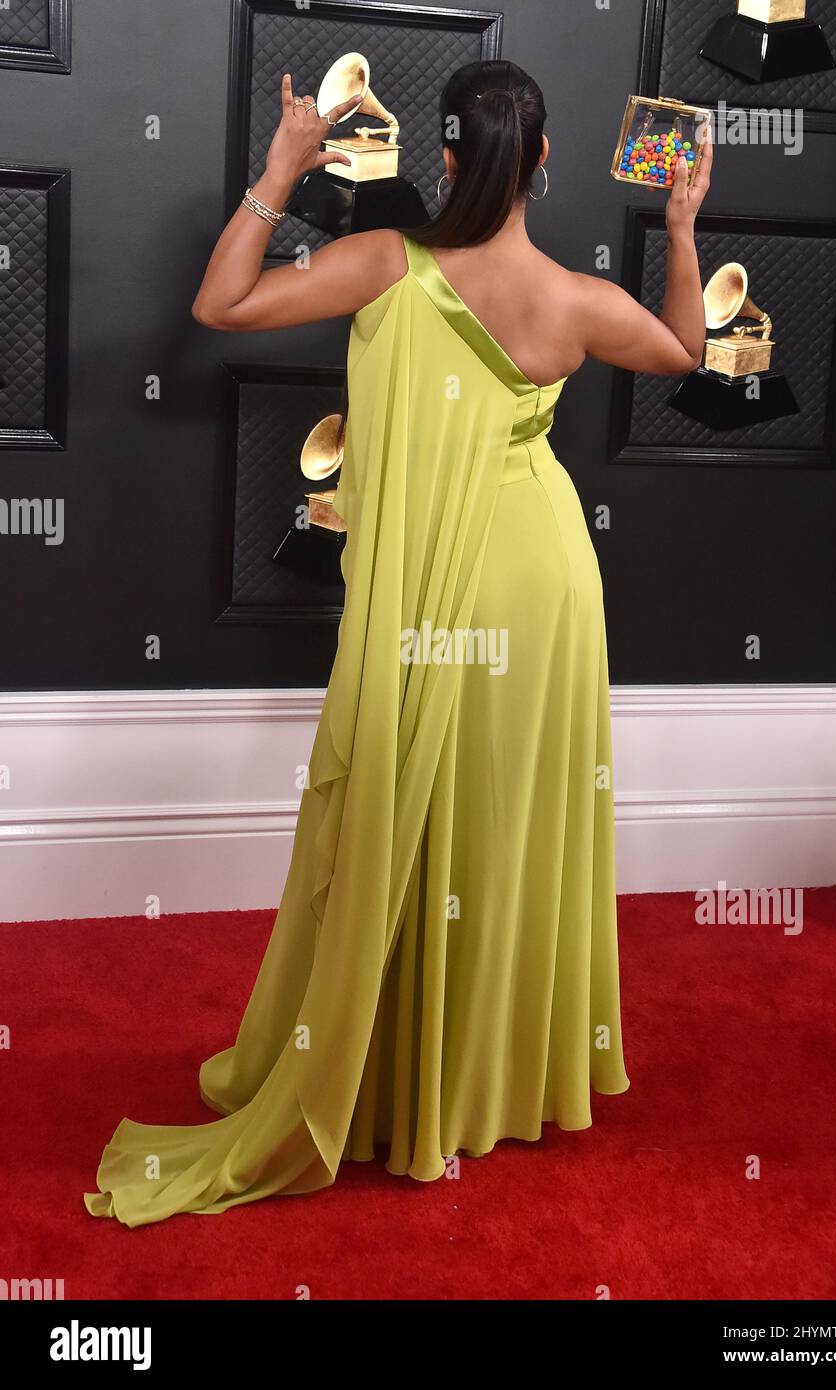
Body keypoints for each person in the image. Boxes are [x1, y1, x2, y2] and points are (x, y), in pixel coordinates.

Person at [85, 59, 710, 1226]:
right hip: (544, 583)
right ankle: (492, 1078)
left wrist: (281, 167)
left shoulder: (385, 264)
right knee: (508, 819)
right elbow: (684, 350)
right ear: (540, 162)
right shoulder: (576, 297)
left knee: (405, 807)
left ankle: (389, 1079)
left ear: (449, 158)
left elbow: (220, 305)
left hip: (439, 592)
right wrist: (679, 225)